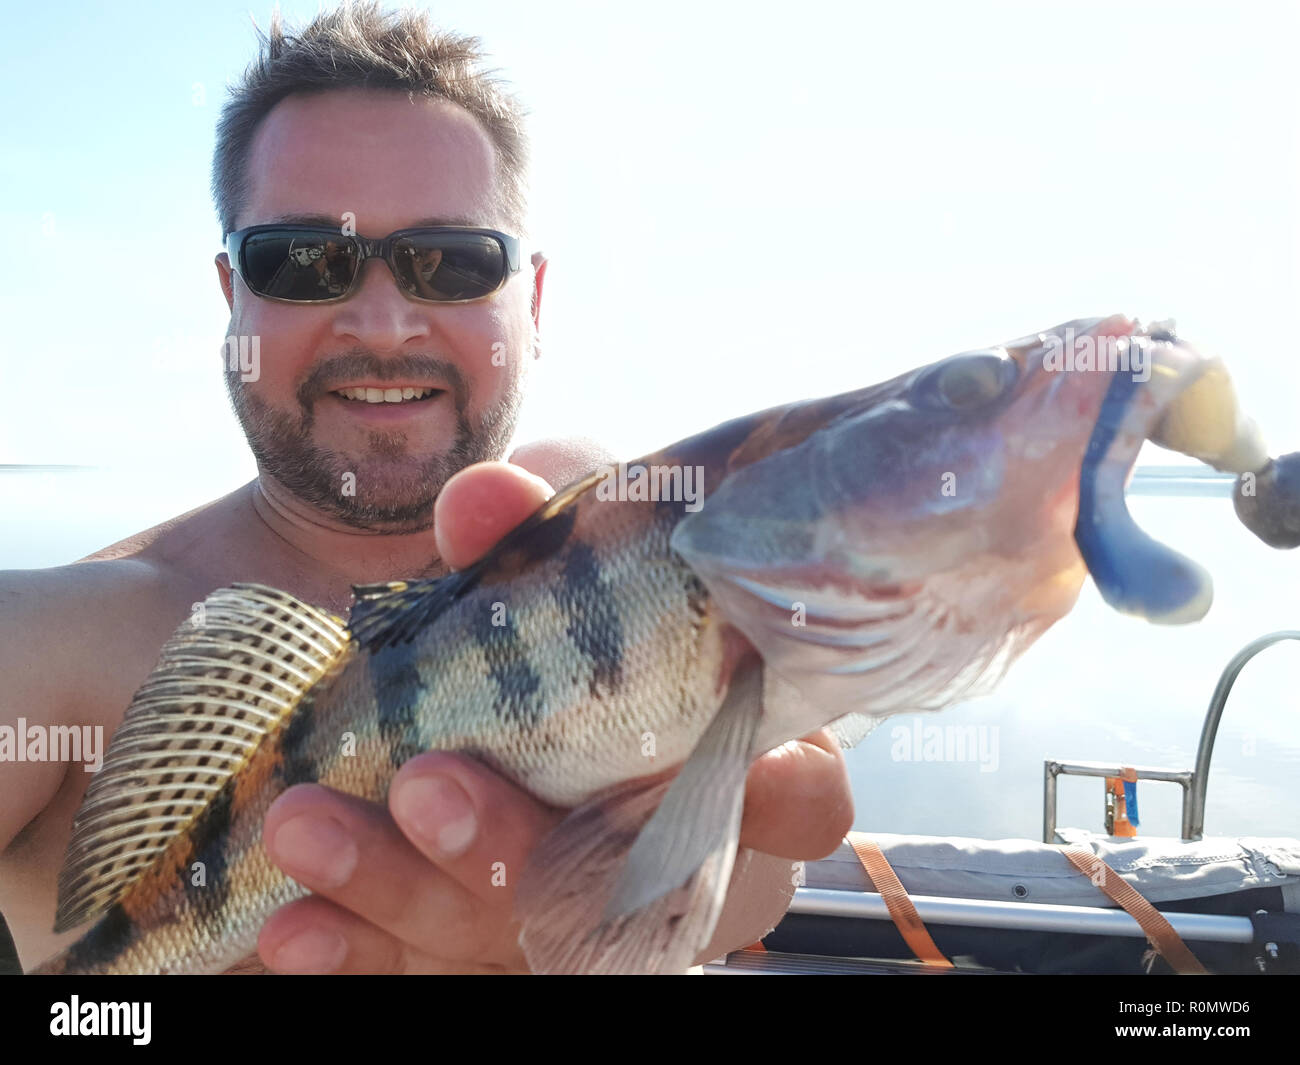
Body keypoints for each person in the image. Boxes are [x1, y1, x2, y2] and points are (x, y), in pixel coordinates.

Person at [0, 3, 853, 974]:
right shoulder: (52, 643)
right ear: (232, 298)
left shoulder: (637, 542)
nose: (382, 322)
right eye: (303, 260)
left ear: (528, 302)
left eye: (449, 262)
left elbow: (777, 862)